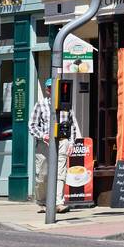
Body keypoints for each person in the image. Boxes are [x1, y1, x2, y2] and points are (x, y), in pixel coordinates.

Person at [30, 79, 80, 213]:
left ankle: (59, 203)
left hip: (62, 141)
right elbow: (32, 126)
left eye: (55, 88)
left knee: (60, 173)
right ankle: (42, 202)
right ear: (47, 90)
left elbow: (72, 126)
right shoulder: (40, 104)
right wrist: (43, 135)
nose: (53, 90)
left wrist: (71, 142)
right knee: (43, 174)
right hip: (45, 142)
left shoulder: (66, 106)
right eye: (50, 88)